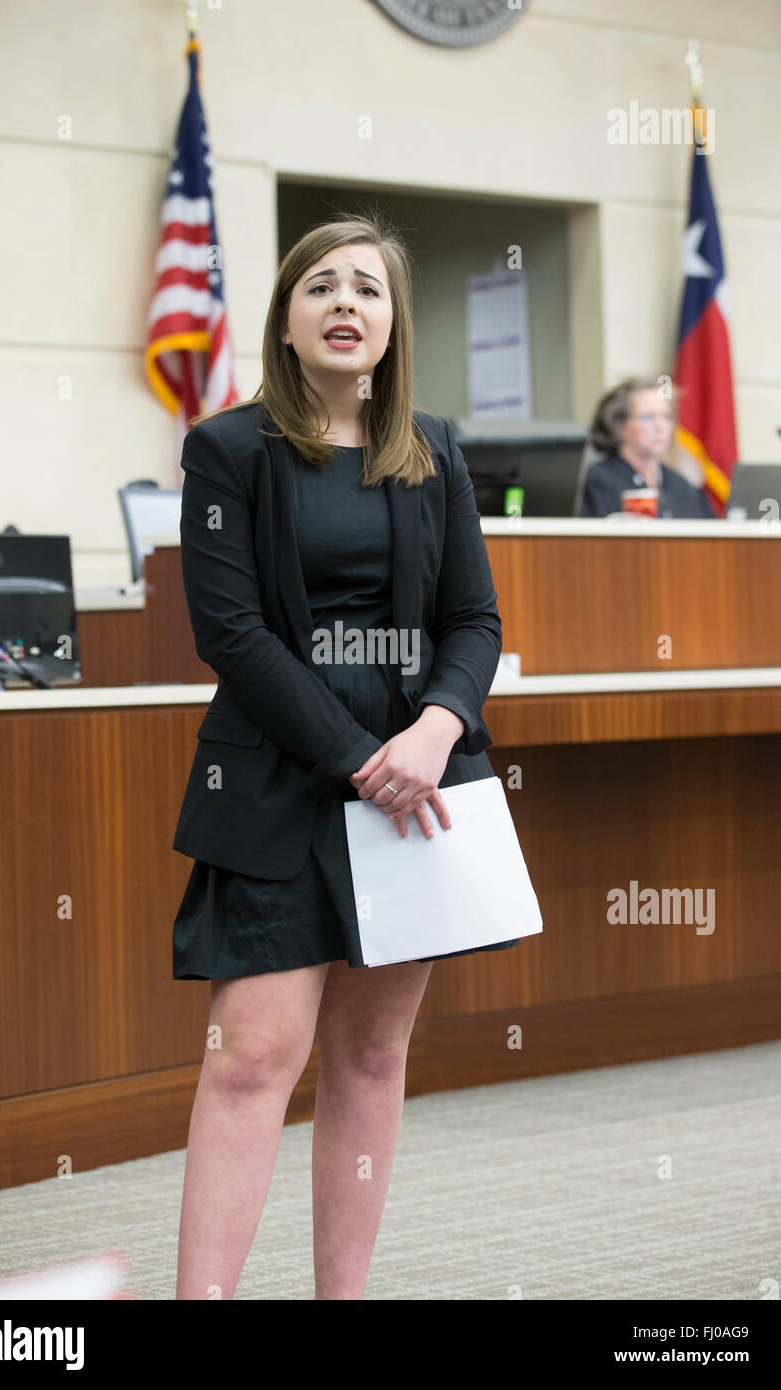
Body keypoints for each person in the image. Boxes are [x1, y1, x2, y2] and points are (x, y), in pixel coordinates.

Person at [171, 212, 521, 1301]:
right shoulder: (228, 451)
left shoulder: (432, 449)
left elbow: (472, 619)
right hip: (280, 772)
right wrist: (360, 754)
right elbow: (229, 633)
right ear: (284, 318)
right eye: (319, 286)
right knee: (253, 1056)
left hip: (413, 781)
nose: (344, 305)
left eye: (366, 289)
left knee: (370, 1056)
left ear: (390, 322)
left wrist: (433, 729)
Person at [580, 378, 717, 519]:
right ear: (618, 425)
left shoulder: (682, 486)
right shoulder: (597, 482)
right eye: (648, 417)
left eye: (667, 417)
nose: (660, 426)